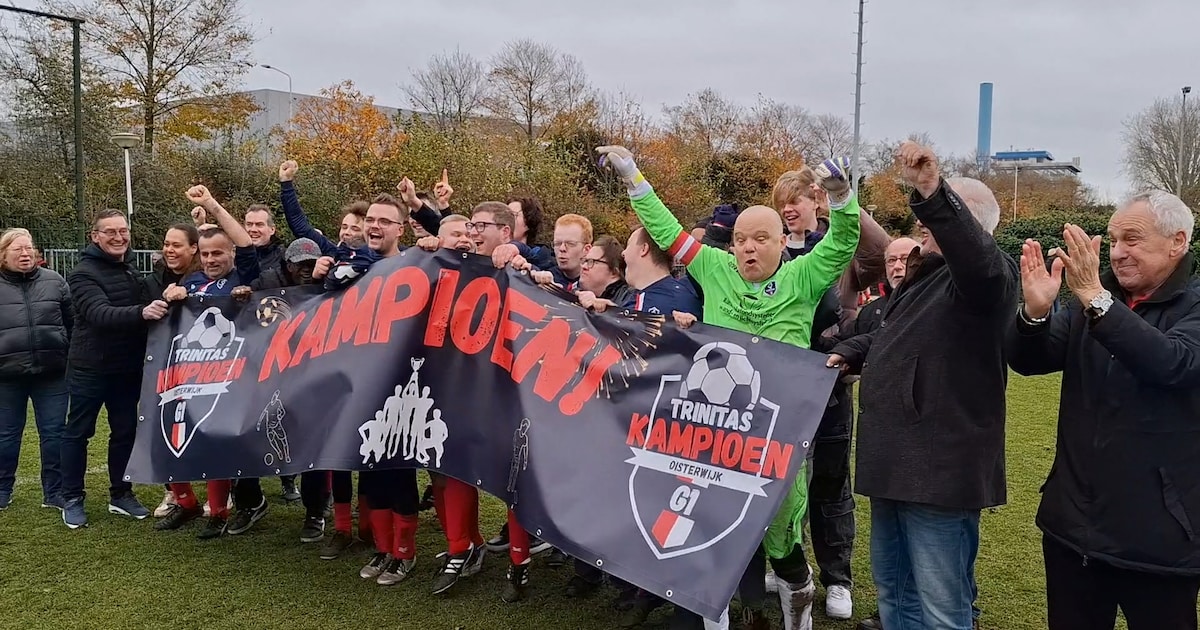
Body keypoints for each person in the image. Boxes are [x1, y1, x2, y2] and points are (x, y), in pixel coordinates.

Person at [596, 144, 861, 630]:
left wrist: (842, 199)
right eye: (741, 239)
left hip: (777, 439)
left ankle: (798, 597)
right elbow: (667, 234)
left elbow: (843, 244)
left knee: (781, 538)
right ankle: (712, 617)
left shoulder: (802, 277)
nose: (749, 248)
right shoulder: (713, 269)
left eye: (761, 238)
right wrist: (634, 175)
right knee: (713, 531)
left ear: (783, 241)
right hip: (715, 436)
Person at [828, 142, 1016, 630]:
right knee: (895, 594)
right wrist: (851, 351)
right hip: (895, 463)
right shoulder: (922, 279)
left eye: (934, 220)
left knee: (941, 606)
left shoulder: (985, 279)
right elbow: (889, 336)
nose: (923, 228)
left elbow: (976, 256)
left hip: (938, 476)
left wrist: (932, 189)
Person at [1008, 191, 1200, 630]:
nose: (1118, 252)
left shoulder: (1188, 306)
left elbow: (1172, 363)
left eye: (1132, 239)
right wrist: (1035, 314)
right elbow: (1030, 361)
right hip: (1072, 530)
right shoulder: (1090, 305)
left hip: (1160, 541)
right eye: (1112, 240)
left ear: (1178, 241)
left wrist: (1097, 298)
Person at [768, 167, 891, 621]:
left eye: (800, 197)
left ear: (817, 204)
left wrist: (844, 200)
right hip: (777, 390)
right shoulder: (768, 252)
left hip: (830, 386)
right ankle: (784, 562)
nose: (790, 205)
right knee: (780, 478)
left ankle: (837, 578)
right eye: (784, 198)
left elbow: (882, 254)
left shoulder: (839, 251)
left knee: (830, 485)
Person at [160, 186, 263, 539]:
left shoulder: (242, 277)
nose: (210, 259)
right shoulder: (193, 282)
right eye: (205, 254)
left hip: (232, 377)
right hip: (189, 375)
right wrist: (172, 297)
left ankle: (220, 510)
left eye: (218, 252)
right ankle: (186, 503)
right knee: (182, 434)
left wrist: (211, 206)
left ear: (232, 252)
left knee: (217, 439)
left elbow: (247, 245)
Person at [59, 209, 168, 529]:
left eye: (123, 231)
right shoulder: (82, 273)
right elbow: (99, 314)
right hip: (89, 368)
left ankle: (121, 494)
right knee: (78, 432)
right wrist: (143, 312)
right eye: (110, 232)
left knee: (125, 432)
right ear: (95, 236)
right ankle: (72, 497)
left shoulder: (131, 269)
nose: (119, 237)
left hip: (126, 368)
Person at [0, 228, 72, 512]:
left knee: (54, 434)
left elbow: (72, 324)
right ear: (4, 255)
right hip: (6, 376)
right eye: (17, 249)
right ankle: (3, 489)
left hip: (52, 375)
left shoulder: (55, 282)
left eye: (29, 248)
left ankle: (54, 492)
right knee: (6, 436)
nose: (25, 254)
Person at [143, 222, 202, 519]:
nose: (169, 249)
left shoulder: (209, 277)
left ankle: (224, 490)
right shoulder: (153, 280)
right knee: (166, 426)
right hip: (166, 368)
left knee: (206, 425)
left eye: (176, 244)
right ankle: (176, 493)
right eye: (166, 243)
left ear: (194, 248)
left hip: (205, 366)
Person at [576, 236, 634, 307]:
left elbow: (629, 317)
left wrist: (608, 309)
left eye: (592, 262)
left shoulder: (629, 298)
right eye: (585, 261)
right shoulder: (576, 291)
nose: (584, 266)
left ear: (614, 272)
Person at [507, 196, 554, 269]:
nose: (506, 221)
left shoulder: (542, 260)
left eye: (512, 215)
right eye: (505, 216)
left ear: (528, 222)